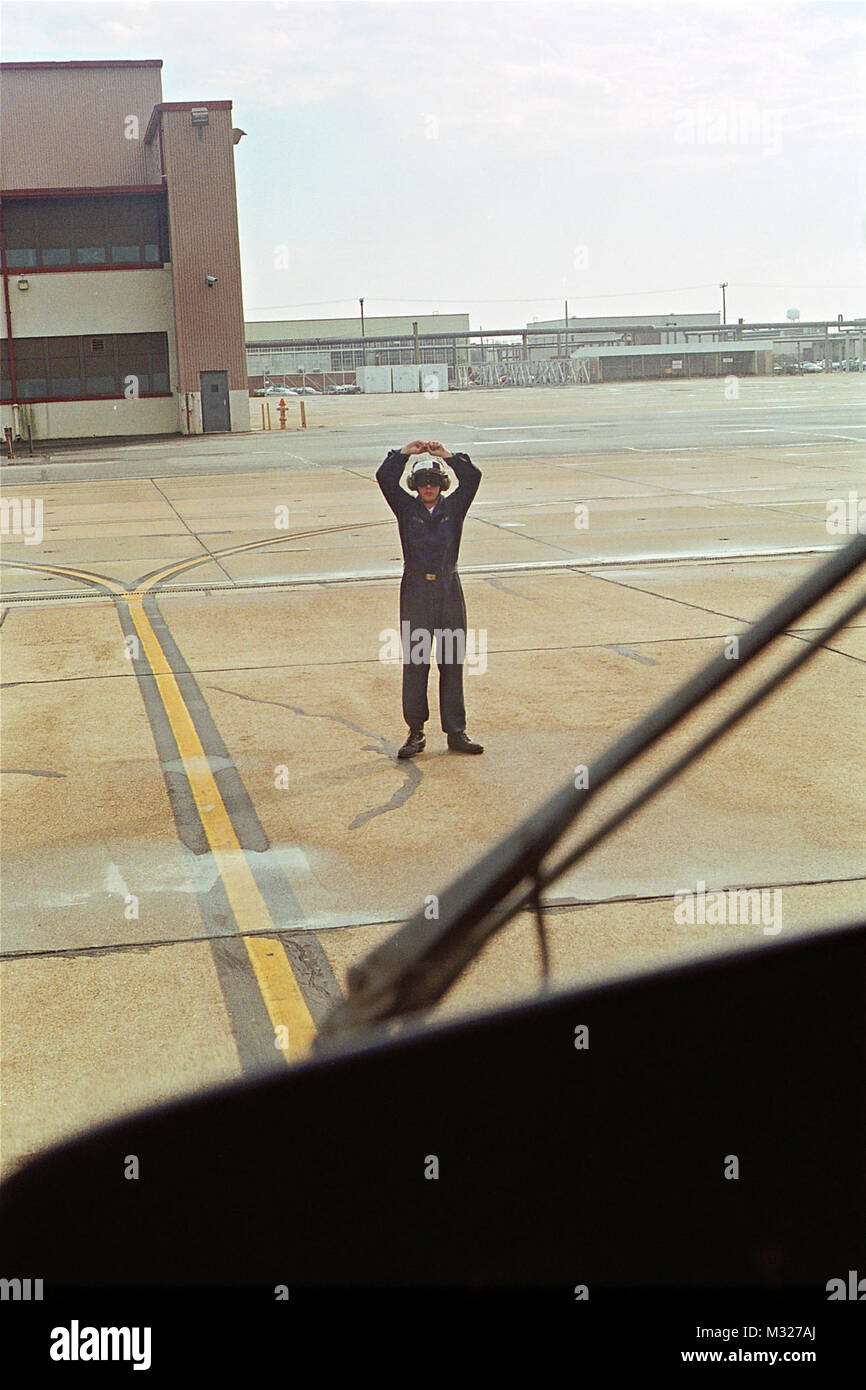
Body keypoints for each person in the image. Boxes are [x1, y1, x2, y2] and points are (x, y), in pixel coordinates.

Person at [376, 439, 484, 758]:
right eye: (422, 482)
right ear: (414, 485)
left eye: (433, 481)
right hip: (417, 592)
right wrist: (404, 454)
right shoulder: (406, 508)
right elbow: (384, 477)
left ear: (441, 484)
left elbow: (474, 478)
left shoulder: (454, 507)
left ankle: (456, 731)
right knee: (416, 663)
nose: (427, 487)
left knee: (451, 662)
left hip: (449, 590)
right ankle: (415, 733)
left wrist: (447, 457)